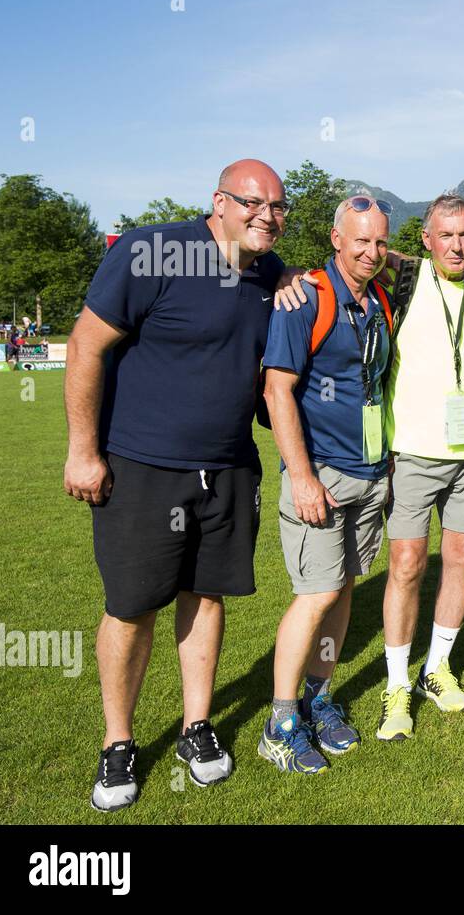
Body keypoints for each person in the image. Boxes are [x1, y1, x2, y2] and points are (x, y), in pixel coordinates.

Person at [64, 159, 287, 811]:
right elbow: (84, 346)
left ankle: (196, 727)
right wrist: (83, 451)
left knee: (205, 594)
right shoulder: (152, 252)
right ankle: (118, 742)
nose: (266, 216)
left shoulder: (271, 275)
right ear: (218, 202)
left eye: (278, 207)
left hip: (227, 467)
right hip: (140, 466)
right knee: (132, 606)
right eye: (253, 202)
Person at [259, 196, 395, 773]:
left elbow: (460, 253)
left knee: (342, 590)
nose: (371, 252)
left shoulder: (381, 298)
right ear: (336, 240)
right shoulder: (306, 298)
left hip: (369, 473)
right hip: (321, 476)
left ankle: (319, 696)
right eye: (359, 241)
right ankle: (280, 721)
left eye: (380, 242)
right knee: (314, 594)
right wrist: (304, 477)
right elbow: (277, 390)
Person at [377, 193, 464, 737]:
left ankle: (437, 669)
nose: (456, 245)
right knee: (407, 564)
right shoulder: (404, 278)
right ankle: (396, 685)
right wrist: (288, 273)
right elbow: (354, 255)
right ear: (426, 240)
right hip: (410, 450)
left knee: (462, 557)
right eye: (445, 235)